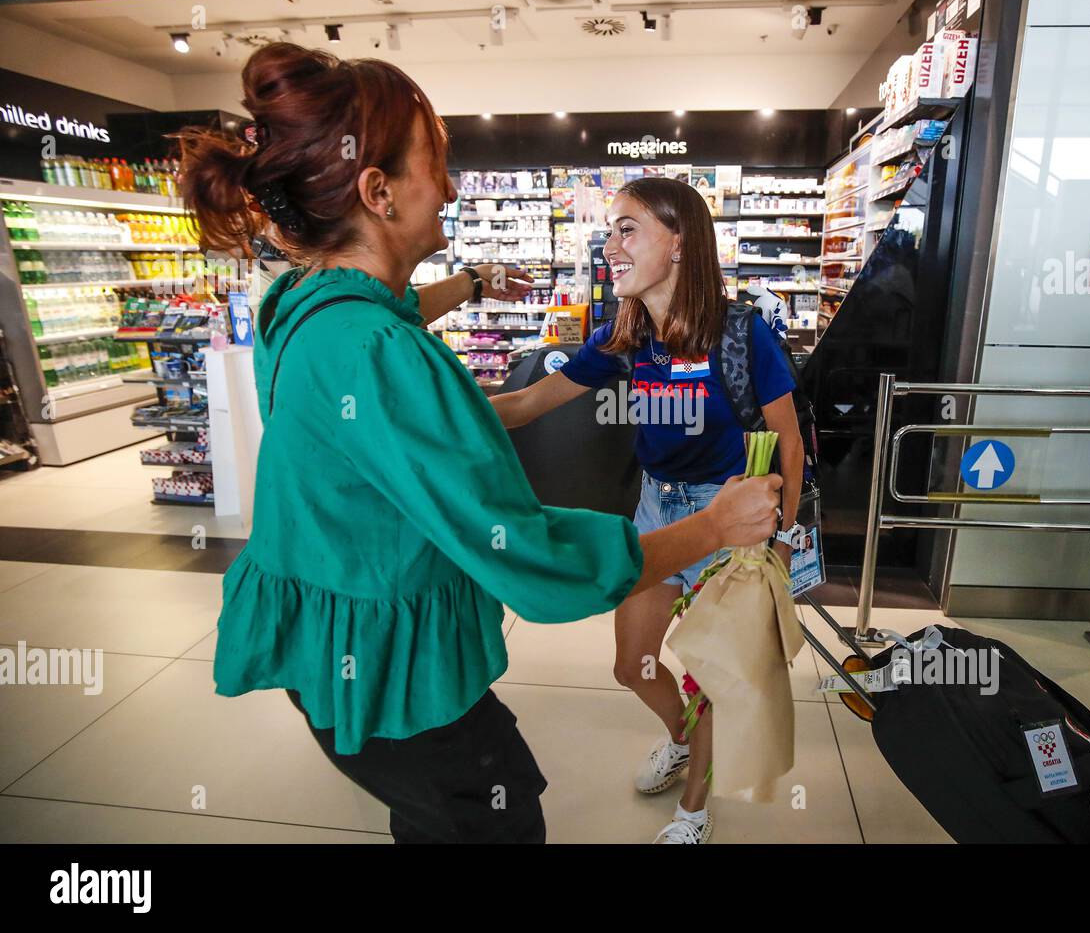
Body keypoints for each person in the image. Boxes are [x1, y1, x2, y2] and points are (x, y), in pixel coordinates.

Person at [177, 43, 781, 844]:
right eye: (440, 164)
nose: (455, 187)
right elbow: (535, 561)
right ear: (378, 189)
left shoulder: (299, 302)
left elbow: (381, 319)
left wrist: (470, 285)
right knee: (488, 817)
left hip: (343, 652)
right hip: (397, 674)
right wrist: (712, 528)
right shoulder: (377, 352)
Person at [490, 177, 805, 843]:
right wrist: (417, 411)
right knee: (631, 663)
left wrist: (783, 540)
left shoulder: (742, 334)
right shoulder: (625, 337)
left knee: (720, 672)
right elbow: (522, 407)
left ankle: (693, 810)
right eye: (610, 231)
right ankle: (686, 738)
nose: (611, 245)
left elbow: (792, 446)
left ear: (680, 243)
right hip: (658, 509)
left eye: (627, 228)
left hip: (731, 514)